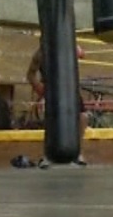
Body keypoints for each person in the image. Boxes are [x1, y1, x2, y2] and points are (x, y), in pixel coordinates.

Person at [26, 40, 89, 168]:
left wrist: (77, 50)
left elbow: (82, 54)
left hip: (70, 89)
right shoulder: (40, 54)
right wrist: (38, 86)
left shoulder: (68, 47)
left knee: (83, 117)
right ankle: (48, 155)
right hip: (52, 90)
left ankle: (78, 153)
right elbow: (30, 74)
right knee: (51, 120)